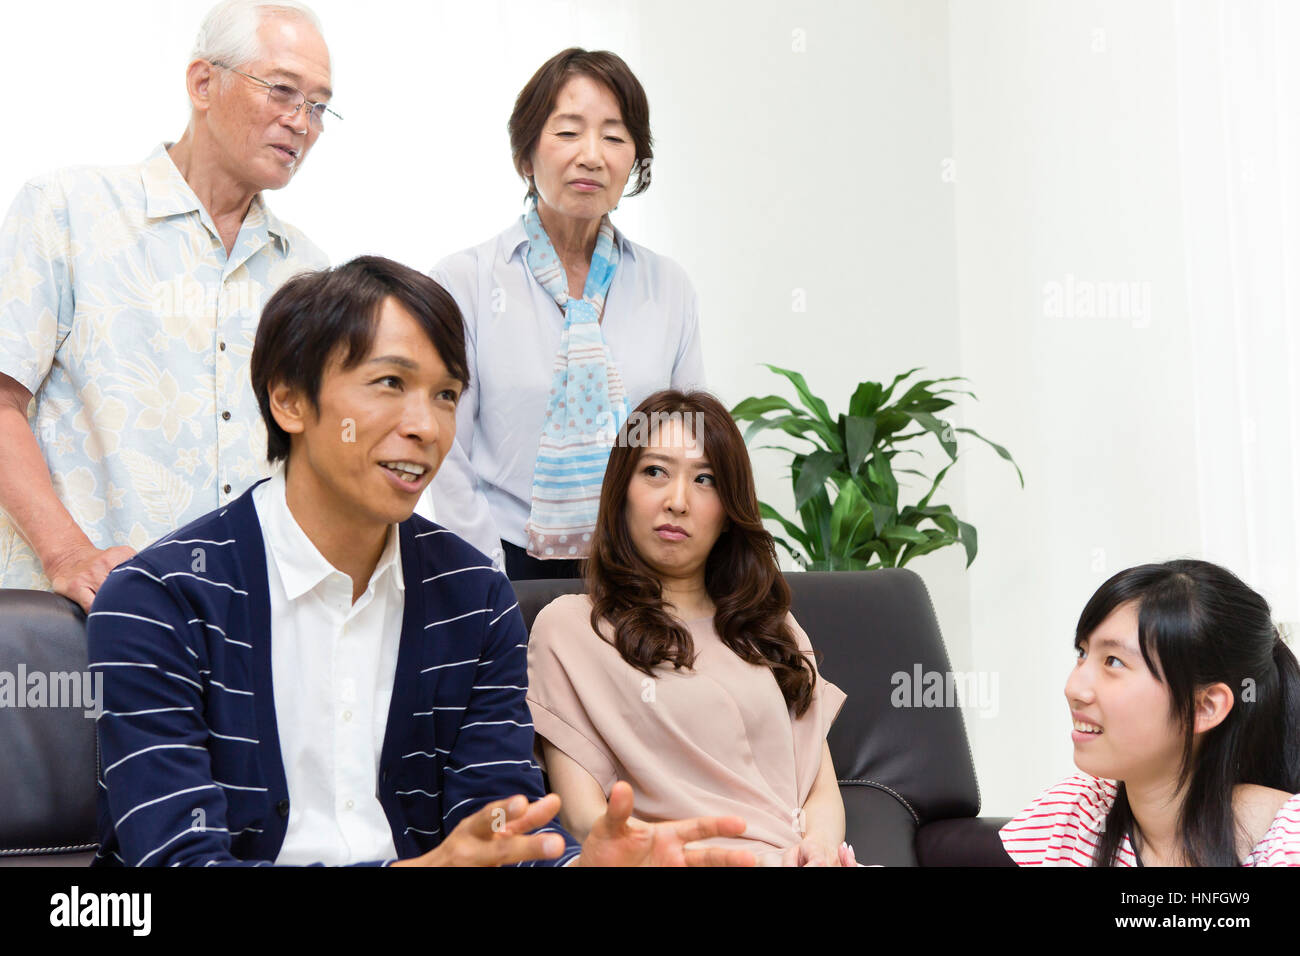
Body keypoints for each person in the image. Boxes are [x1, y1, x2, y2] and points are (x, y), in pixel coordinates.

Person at [86, 257, 754, 867]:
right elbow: (175, 862)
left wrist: (583, 866)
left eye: (444, 395)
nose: (427, 427)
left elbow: (497, 832)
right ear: (289, 399)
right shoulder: (158, 599)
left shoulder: (472, 595)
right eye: (390, 383)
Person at [0, 0, 333, 610]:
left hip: (245, 626)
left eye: (317, 105)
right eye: (283, 90)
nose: (302, 122)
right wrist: (69, 555)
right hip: (79, 615)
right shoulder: (69, 210)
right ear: (203, 83)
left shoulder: (309, 273)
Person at [527, 389, 854, 866]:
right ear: (621, 491)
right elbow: (585, 819)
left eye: (705, 479)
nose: (677, 501)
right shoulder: (571, 628)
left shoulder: (770, 625)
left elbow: (821, 792)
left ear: (728, 512)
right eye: (655, 471)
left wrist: (820, 851)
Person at [420, 48, 706, 581]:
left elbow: (690, 441)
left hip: (641, 565)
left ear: (635, 162)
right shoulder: (467, 281)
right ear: (525, 157)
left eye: (615, 137)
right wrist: (483, 575)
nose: (592, 156)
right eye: (569, 132)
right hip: (504, 557)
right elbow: (446, 449)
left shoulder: (669, 288)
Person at [1000, 559, 1300, 866]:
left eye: (1113, 661)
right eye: (1083, 653)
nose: (1074, 689)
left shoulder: (1288, 844)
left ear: (1205, 707)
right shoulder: (1072, 816)